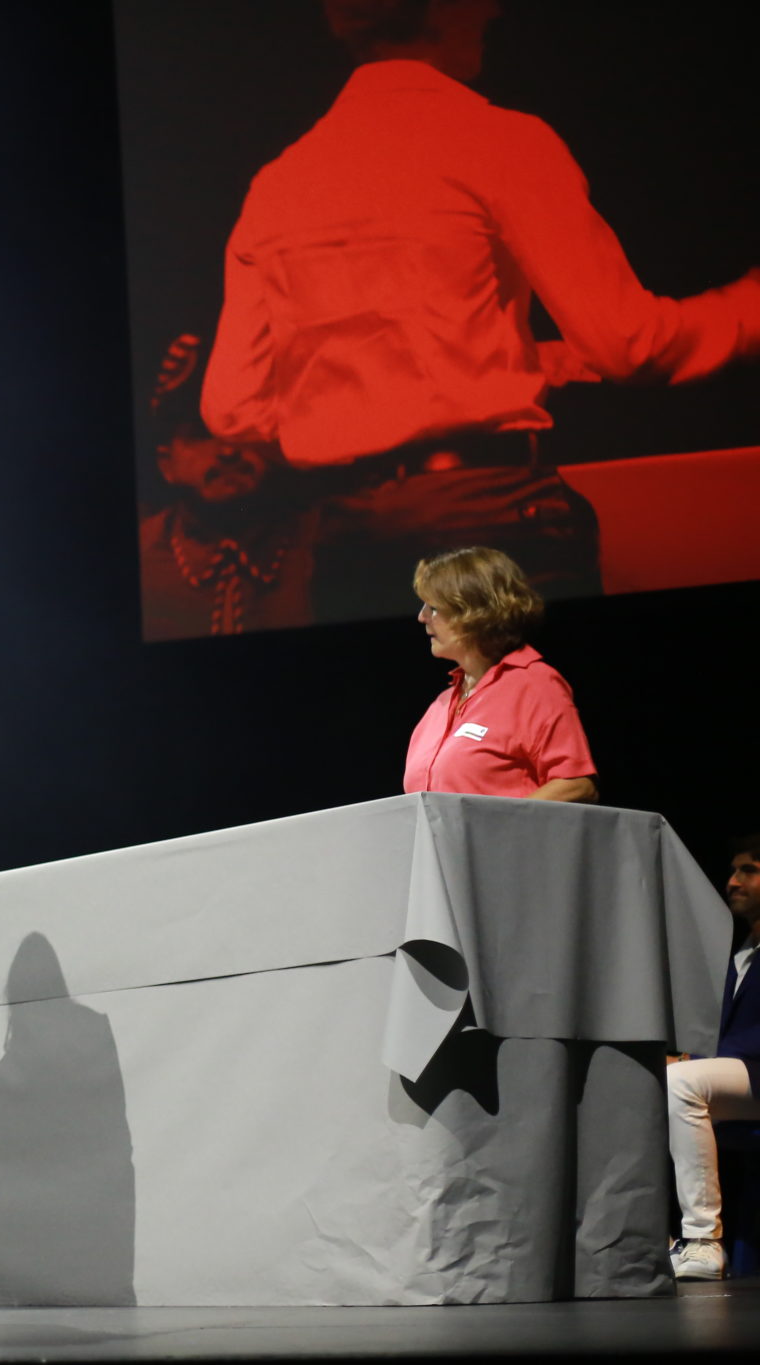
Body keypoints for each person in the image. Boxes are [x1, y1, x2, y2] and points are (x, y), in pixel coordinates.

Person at [202, 0, 760, 624]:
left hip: (349, 535)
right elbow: (629, 344)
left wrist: (363, 399)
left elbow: (232, 408)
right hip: (491, 517)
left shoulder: (277, 184)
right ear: (452, 11)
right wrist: (745, 310)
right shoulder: (499, 140)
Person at [137, 332, 315, 638]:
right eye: (200, 433)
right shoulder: (142, 560)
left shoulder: (325, 540)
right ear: (167, 464)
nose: (229, 450)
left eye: (245, 428)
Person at [403, 546, 597, 802]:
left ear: (473, 613)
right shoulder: (440, 705)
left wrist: (495, 830)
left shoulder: (533, 683)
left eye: (434, 608)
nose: (422, 617)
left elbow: (576, 786)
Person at [667, 836, 760, 1281]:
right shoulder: (738, 952)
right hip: (739, 1073)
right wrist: (688, 1054)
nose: (732, 882)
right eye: (733, 871)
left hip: (755, 1071)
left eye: (749, 871)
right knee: (640, 1081)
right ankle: (648, 1237)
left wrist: (696, 1062)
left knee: (681, 1082)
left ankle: (704, 1238)